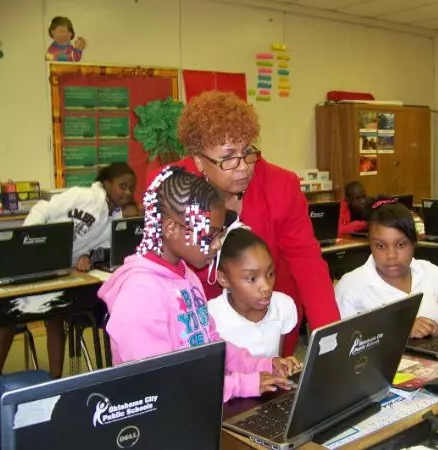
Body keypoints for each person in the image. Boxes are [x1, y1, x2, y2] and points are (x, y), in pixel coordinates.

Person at [147, 91, 339, 355]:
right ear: (199, 160)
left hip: (267, 323)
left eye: (247, 151)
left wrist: (331, 340)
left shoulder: (280, 186)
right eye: (228, 158)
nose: (243, 166)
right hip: (199, 325)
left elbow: (307, 263)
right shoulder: (170, 189)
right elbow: (160, 272)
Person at [99, 166, 301, 402]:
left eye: (219, 235)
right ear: (171, 229)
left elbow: (211, 345)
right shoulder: (139, 294)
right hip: (160, 422)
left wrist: (261, 365)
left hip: (198, 404)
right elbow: (160, 382)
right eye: (209, 236)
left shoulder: (187, 276)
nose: (216, 246)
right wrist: (240, 385)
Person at [0, 162, 136, 378]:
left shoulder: (114, 218)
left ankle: (55, 379)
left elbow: (96, 246)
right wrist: (27, 241)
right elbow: (42, 209)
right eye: (122, 186)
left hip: (59, 268)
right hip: (32, 256)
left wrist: (87, 256)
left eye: (131, 188)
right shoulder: (83, 196)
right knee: (9, 316)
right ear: (106, 184)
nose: (127, 192)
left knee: (55, 316)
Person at [335, 198, 438, 339]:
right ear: (370, 244)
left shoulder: (430, 273)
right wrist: (400, 329)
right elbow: (341, 344)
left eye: (401, 245)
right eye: (381, 246)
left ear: (414, 242)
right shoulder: (350, 288)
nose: (391, 255)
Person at [208, 226, 297, 357]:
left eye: (270, 273)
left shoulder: (283, 306)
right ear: (223, 278)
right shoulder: (211, 317)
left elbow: (277, 359)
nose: (266, 287)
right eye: (252, 279)